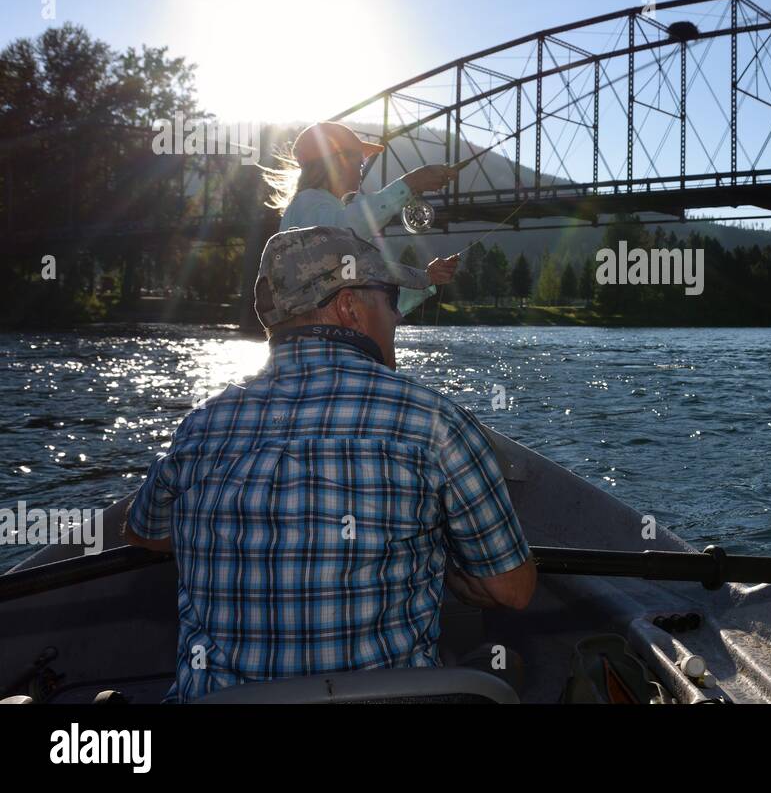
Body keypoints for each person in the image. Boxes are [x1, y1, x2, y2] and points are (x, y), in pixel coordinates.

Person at [123, 225, 536, 702]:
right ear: (350, 308)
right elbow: (513, 590)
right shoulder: (432, 421)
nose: (398, 316)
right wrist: (441, 563)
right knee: (505, 667)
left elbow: (143, 534)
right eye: (390, 297)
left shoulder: (201, 425)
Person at [265, 121, 460, 317]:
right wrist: (409, 184)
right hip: (320, 343)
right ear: (336, 161)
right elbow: (337, 234)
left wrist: (427, 278)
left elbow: (370, 294)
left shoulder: (316, 207)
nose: (362, 170)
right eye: (360, 163)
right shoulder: (309, 201)